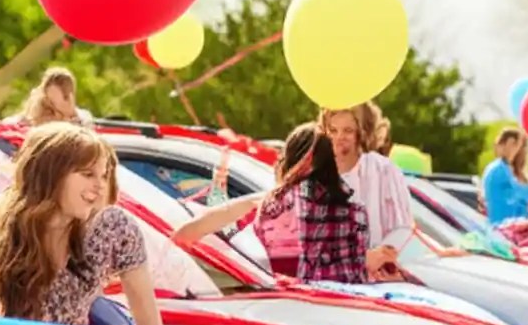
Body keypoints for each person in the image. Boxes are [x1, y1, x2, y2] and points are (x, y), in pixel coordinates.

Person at [0, 123, 165, 325]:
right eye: (87, 174)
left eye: (104, 176)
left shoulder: (110, 228)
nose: (100, 185)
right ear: (52, 175)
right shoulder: (8, 222)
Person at [173, 123, 384, 284]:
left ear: (289, 160)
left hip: (287, 311)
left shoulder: (271, 205)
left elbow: (185, 234)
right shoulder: (356, 211)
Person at [319, 103, 410, 280]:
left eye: (347, 131)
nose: (339, 137)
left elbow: (402, 225)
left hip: (377, 282)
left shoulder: (383, 169)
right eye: (333, 130)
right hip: (331, 281)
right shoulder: (317, 174)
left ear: (361, 133)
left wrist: (379, 257)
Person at [2, 67, 94, 128]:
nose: (51, 113)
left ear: (69, 99)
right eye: (48, 103)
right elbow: (10, 123)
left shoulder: (83, 120)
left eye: (54, 107)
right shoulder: (37, 110)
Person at [481, 127, 528, 224]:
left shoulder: (507, 170)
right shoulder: (498, 169)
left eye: (516, 145)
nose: (514, 148)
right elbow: (517, 196)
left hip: (512, 224)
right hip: (503, 226)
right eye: (512, 143)